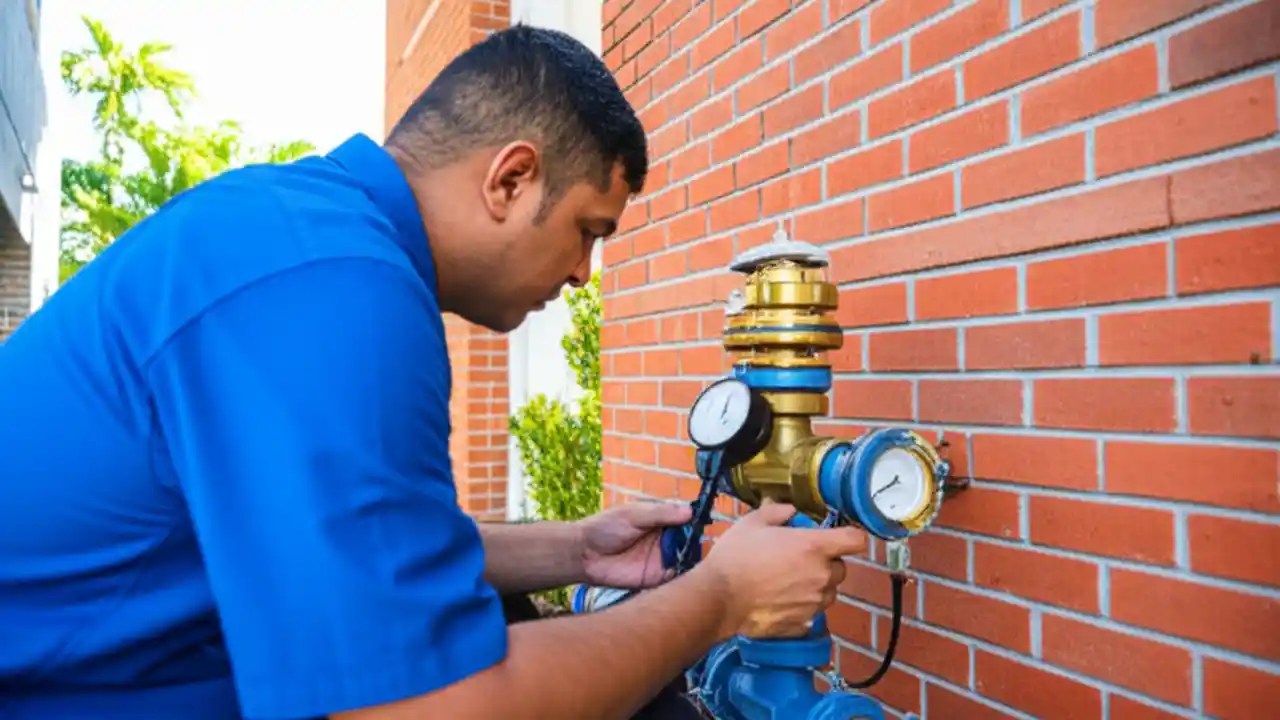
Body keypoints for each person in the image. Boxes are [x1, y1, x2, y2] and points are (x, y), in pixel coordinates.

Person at [0, 24, 867, 720]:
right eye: (590, 231)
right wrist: (720, 599)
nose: (581, 277)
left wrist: (575, 548)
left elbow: (360, 565)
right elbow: (426, 706)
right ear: (512, 179)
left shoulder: (305, 236)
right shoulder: (336, 290)